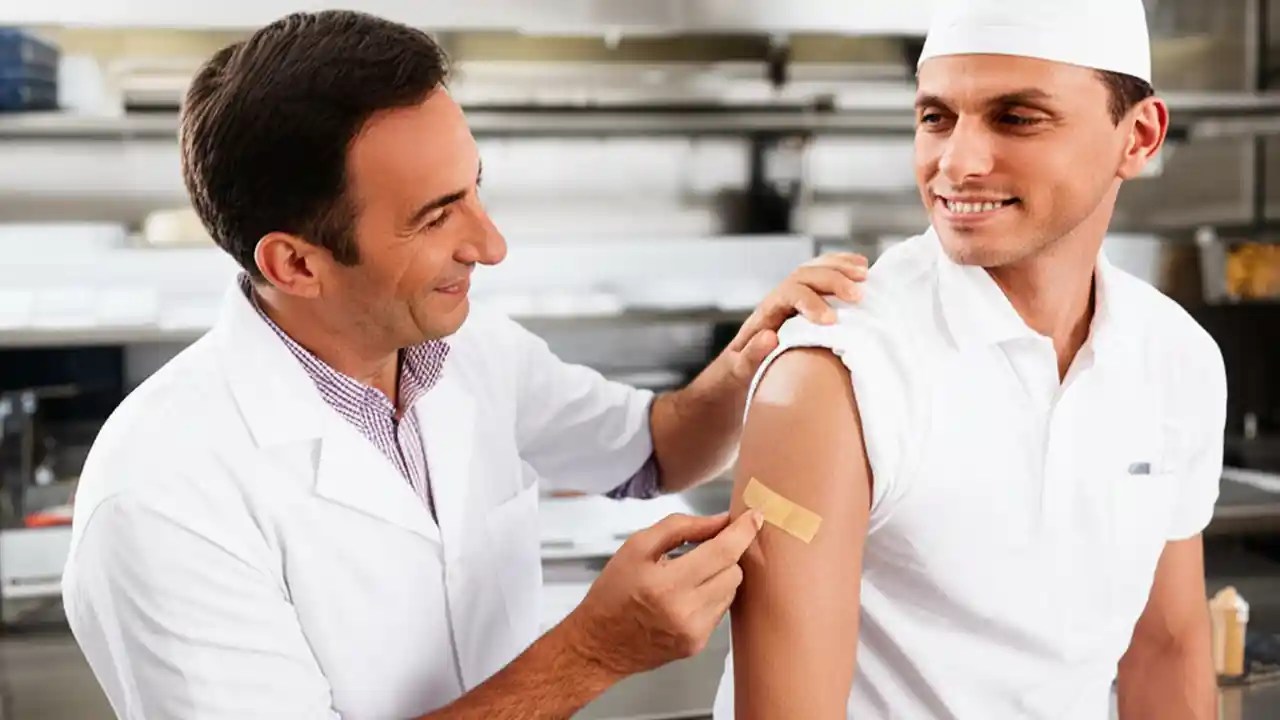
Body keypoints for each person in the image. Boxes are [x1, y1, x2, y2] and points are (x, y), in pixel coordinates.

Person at [60, 10, 871, 720]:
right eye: (436, 217)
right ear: (295, 265)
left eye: (474, 189)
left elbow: (652, 449)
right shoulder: (161, 493)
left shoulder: (466, 348)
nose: (490, 245)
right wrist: (591, 652)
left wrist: (742, 361)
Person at [715, 0, 1226, 718]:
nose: (956, 162)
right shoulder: (832, 379)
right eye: (935, 117)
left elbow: (1167, 644)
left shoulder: (1176, 358)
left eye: (1017, 118)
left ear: (1138, 138)